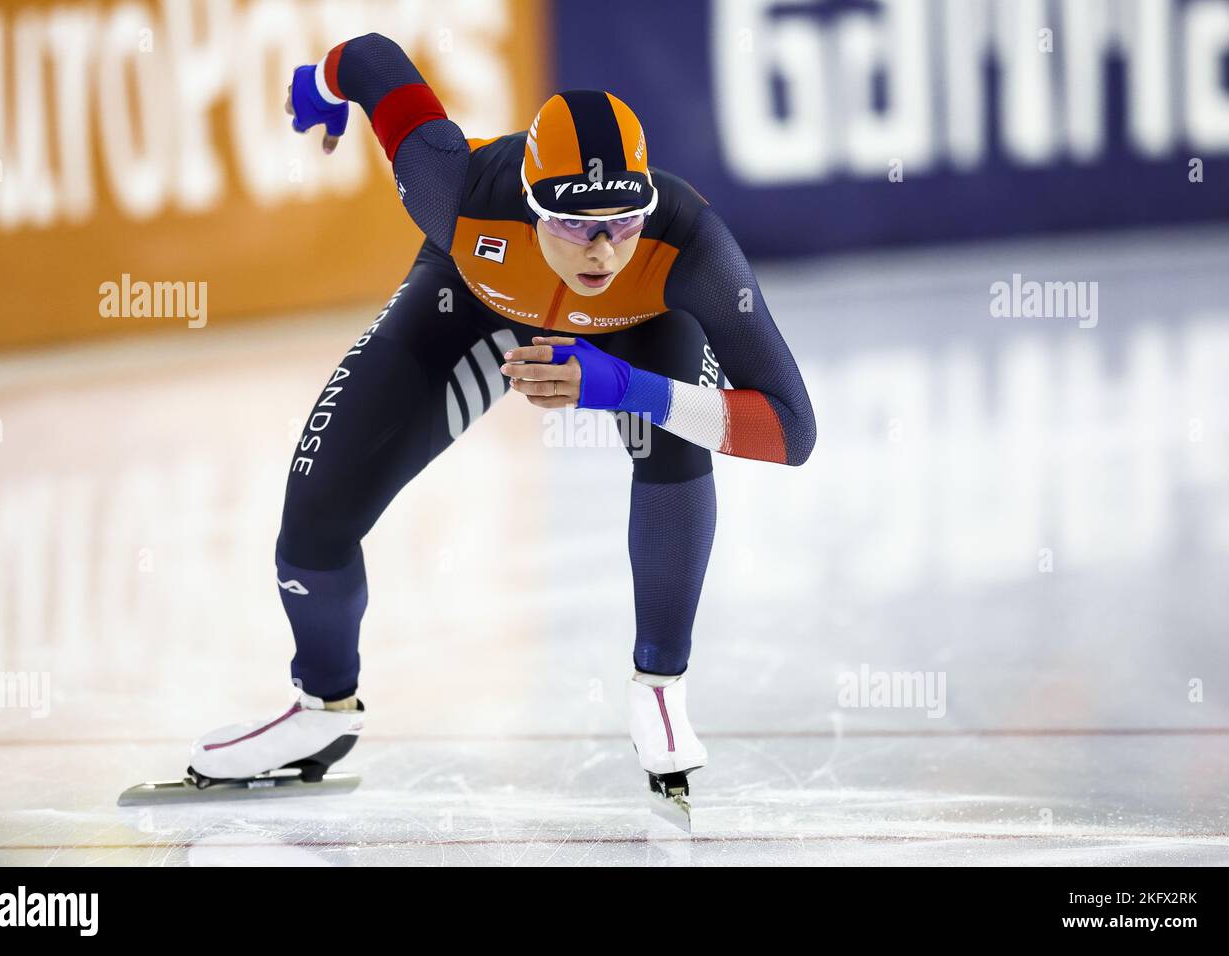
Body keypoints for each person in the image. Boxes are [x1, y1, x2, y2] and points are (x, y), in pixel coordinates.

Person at [187, 33, 815, 812]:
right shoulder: (451, 187)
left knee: (675, 425)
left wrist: (623, 388)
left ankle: (660, 684)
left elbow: (793, 431)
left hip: (638, 332)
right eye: (575, 223)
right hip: (472, 299)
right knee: (316, 511)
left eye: (622, 222)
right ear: (529, 201)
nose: (601, 251)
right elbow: (374, 58)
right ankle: (321, 708)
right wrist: (319, 83)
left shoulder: (688, 244)